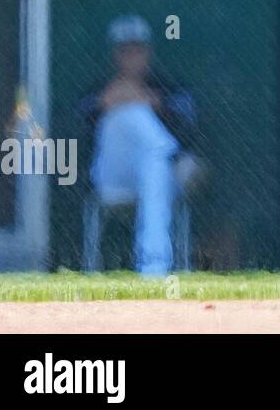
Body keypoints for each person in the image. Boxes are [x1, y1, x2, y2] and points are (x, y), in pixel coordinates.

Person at [78, 15, 201, 276]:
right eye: (125, 50)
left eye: (138, 49)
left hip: (156, 176)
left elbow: (188, 114)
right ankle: (173, 155)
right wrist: (110, 101)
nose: (132, 56)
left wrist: (150, 100)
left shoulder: (166, 85)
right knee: (125, 115)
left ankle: (153, 269)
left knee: (153, 162)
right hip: (112, 175)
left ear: (148, 51)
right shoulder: (100, 88)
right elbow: (80, 117)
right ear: (115, 54)